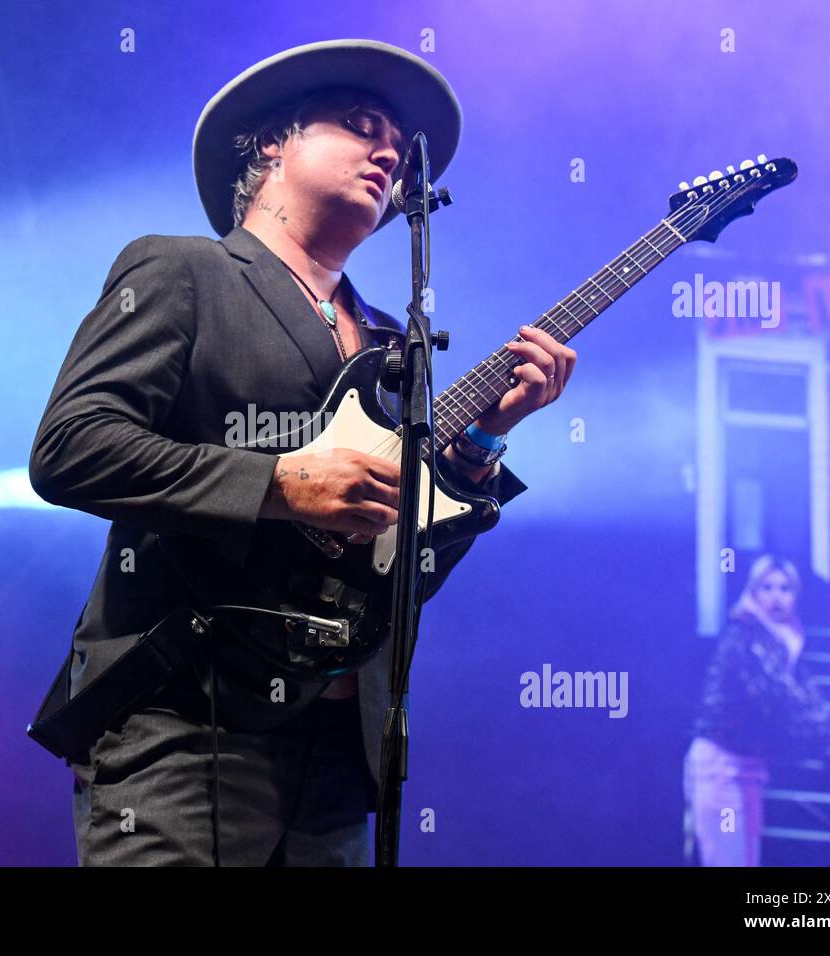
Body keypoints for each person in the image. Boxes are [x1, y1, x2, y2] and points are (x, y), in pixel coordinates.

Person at [29, 39, 577, 866]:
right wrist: (278, 483)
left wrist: (481, 448)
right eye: (360, 125)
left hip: (341, 750)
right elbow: (70, 447)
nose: (388, 150)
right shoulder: (183, 272)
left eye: (396, 142)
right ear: (272, 143)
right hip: (184, 721)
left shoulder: (398, 346)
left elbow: (400, 570)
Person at [684, 554, 830, 866]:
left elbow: (809, 699)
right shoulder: (745, 638)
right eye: (767, 588)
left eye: (785, 589)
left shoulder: (783, 642)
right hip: (720, 768)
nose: (776, 597)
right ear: (753, 592)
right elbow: (786, 698)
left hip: (749, 769)